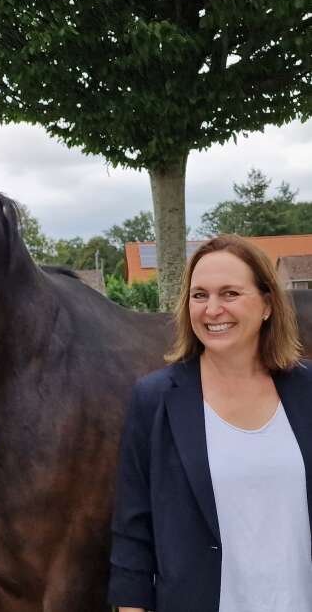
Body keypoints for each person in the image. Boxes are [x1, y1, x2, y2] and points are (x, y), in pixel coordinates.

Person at [108, 234, 312, 612]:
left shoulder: (307, 391)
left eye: (230, 293)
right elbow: (133, 535)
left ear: (267, 304)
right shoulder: (155, 400)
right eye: (199, 295)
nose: (212, 309)